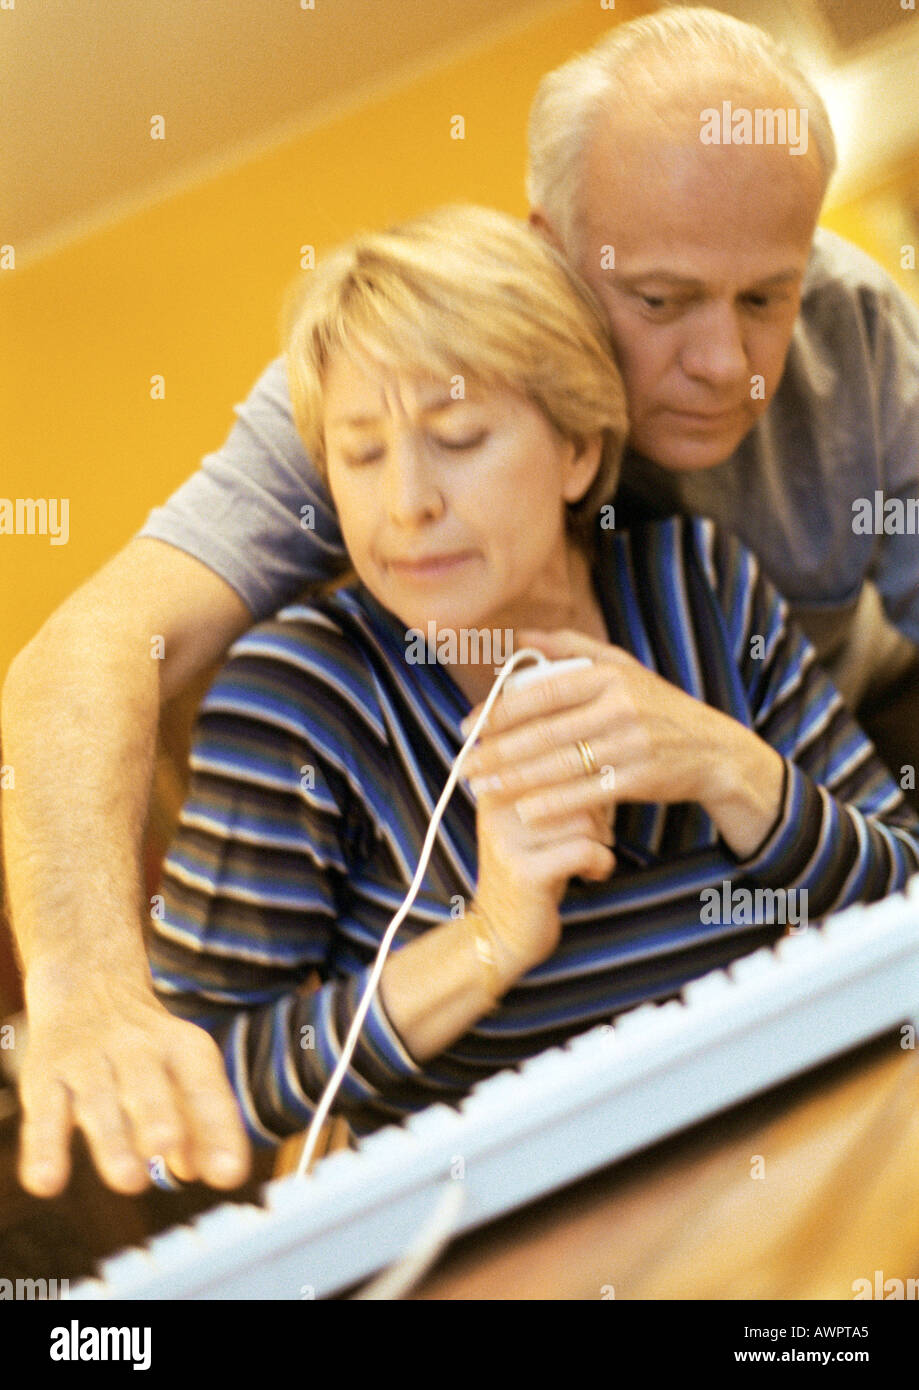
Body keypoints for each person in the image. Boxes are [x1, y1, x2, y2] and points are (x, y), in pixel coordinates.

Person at [3, 7, 918, 1192]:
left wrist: (733, 766)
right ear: (555, 255)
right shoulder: (376, 399)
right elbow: (93, 649)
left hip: (852, 721)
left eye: (763, 299)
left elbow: (881, 883)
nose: (724, 365)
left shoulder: (727, 541)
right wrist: (87, 993)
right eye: (657, 299)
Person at [147, 204, 919, 1143]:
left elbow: (904, 894)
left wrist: (731, 769)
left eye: (460, 437)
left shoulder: (693, 582)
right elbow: (192, 1092)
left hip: (800, 1143)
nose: (407, 504)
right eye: (360, 455)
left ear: (577, 451)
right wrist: (489, 938)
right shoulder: (300, 700)